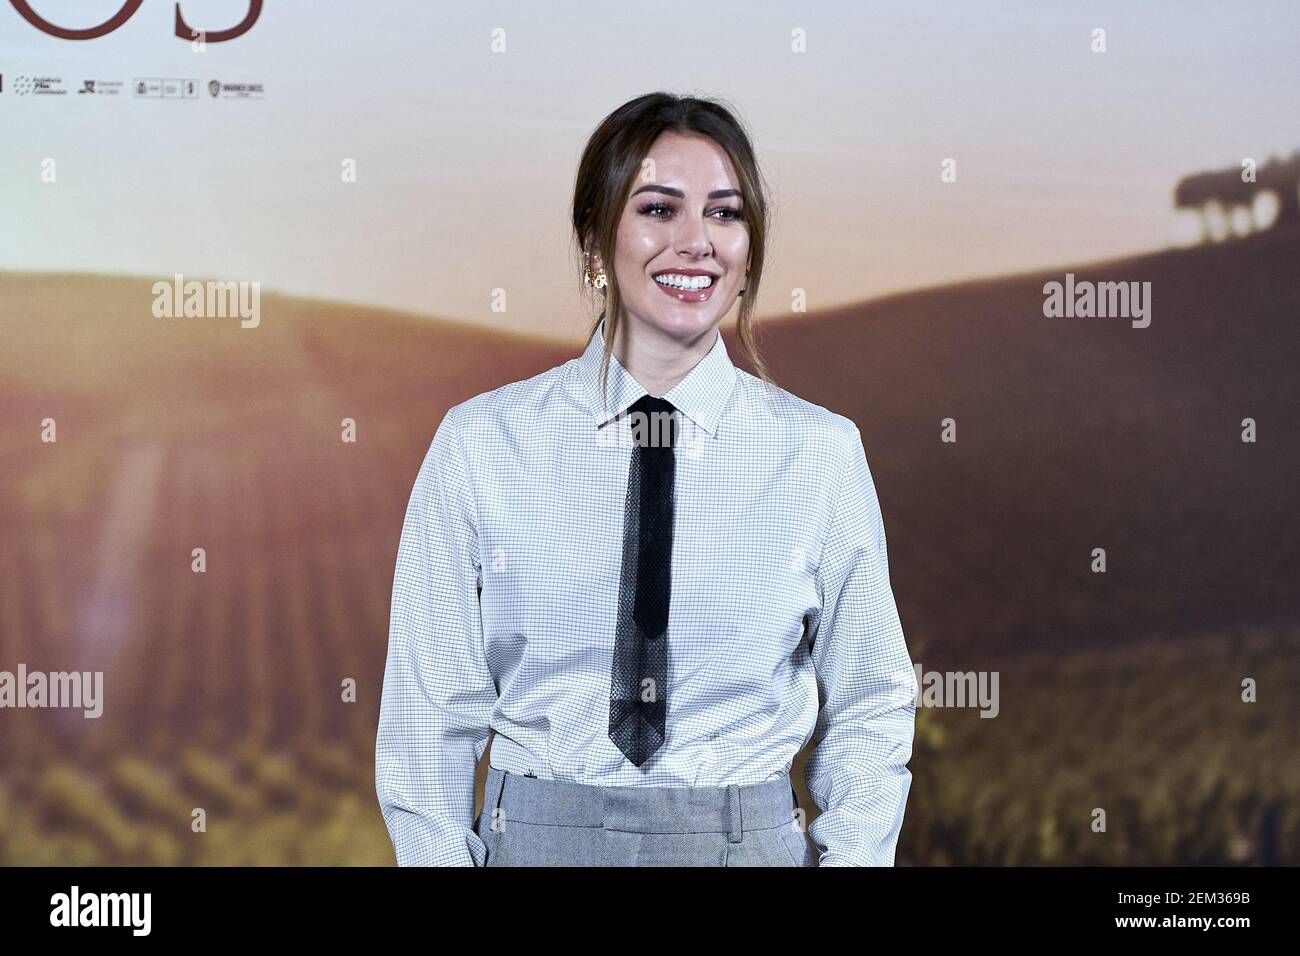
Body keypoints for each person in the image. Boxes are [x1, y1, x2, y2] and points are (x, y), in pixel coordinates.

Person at [375, 91, 916, 867]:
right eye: (659, 209)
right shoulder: (481, 445)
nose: (696, 242)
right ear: (594, 238)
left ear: (750, 249)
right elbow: (427, 728)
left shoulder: (820, 454)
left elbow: (871, 704)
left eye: (725, 214)